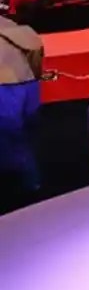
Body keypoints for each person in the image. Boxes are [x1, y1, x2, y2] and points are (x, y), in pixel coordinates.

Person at [0, 14, 43, 190]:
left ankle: (26, 182)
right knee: (21, 135)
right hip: (28, 82)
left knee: (11, 137)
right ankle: (31, 182)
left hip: (6, 86)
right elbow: (35, 49)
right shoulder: (15, 27)